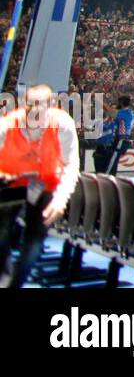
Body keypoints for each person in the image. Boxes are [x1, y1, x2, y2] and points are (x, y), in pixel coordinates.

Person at [0, 84, 80, 287]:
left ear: (51, 105)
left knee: (34, 241)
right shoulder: (6, 126)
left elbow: (71, 164)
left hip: (45, 184)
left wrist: (61, 199)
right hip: (11, 183)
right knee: (1, 235)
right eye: (29, 106)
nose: (34, 112)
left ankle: (14, 284)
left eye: (40, 106)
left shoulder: (63, 125)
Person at [94, 96, 134, 175]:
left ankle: (107, 179)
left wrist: (98, 99)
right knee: (111, 161)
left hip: (120, 141)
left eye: (118, 103)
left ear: (121, 103)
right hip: (121, 141)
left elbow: (109, 111)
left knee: (111, 165)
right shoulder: (130, 113)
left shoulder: (124, 113)